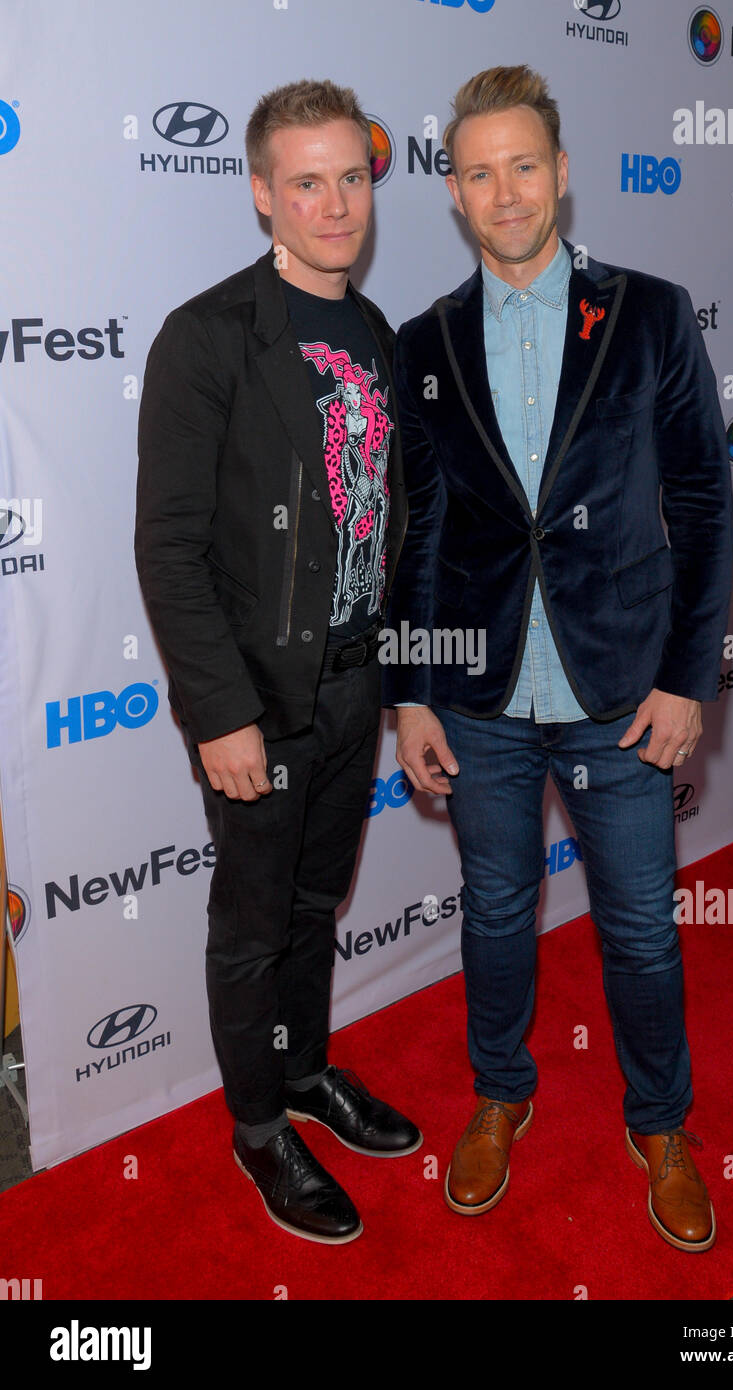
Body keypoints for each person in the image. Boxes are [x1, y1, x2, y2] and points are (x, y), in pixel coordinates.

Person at [384, 65, 733, 1251]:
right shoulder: (421, 340)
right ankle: (500, 1095)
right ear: (454, 196)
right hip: (477, 697)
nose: (505, 189)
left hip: (624, 686)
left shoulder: (647, 311)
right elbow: (416, 528)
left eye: (522, 163)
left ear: (562, 173)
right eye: (478, 171)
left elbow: (698, 495)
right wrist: (411, 696)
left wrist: (689, 676)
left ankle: (663, 1122)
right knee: (494, 907)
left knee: (638, 923)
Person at [135, 80, 419, 1247]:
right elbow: (171, 543)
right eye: (306, 181)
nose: (334, 202)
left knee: (316, 902)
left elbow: (389, 522)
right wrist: (221, 712)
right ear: (261, 193)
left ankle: (305, 1079)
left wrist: (399, 681)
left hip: (355, 683)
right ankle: (260, 1129)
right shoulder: (208, 336)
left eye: (351, 176)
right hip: (260, 698)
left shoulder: (375, 330)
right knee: (253, 923)